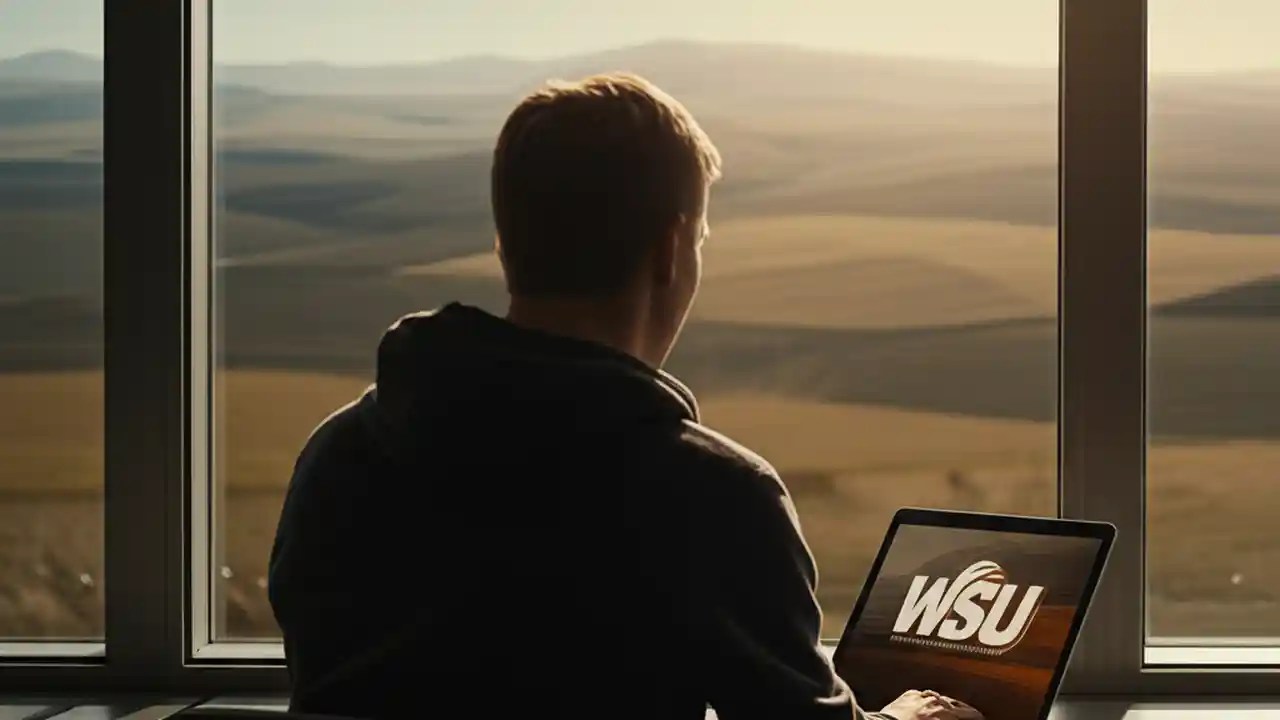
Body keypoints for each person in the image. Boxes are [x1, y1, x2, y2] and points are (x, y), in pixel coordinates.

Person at [267, 72, 982, 720]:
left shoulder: (339, 454)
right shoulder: (709, 497)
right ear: (671, 250)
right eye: (700, 239)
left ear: (505, 244)